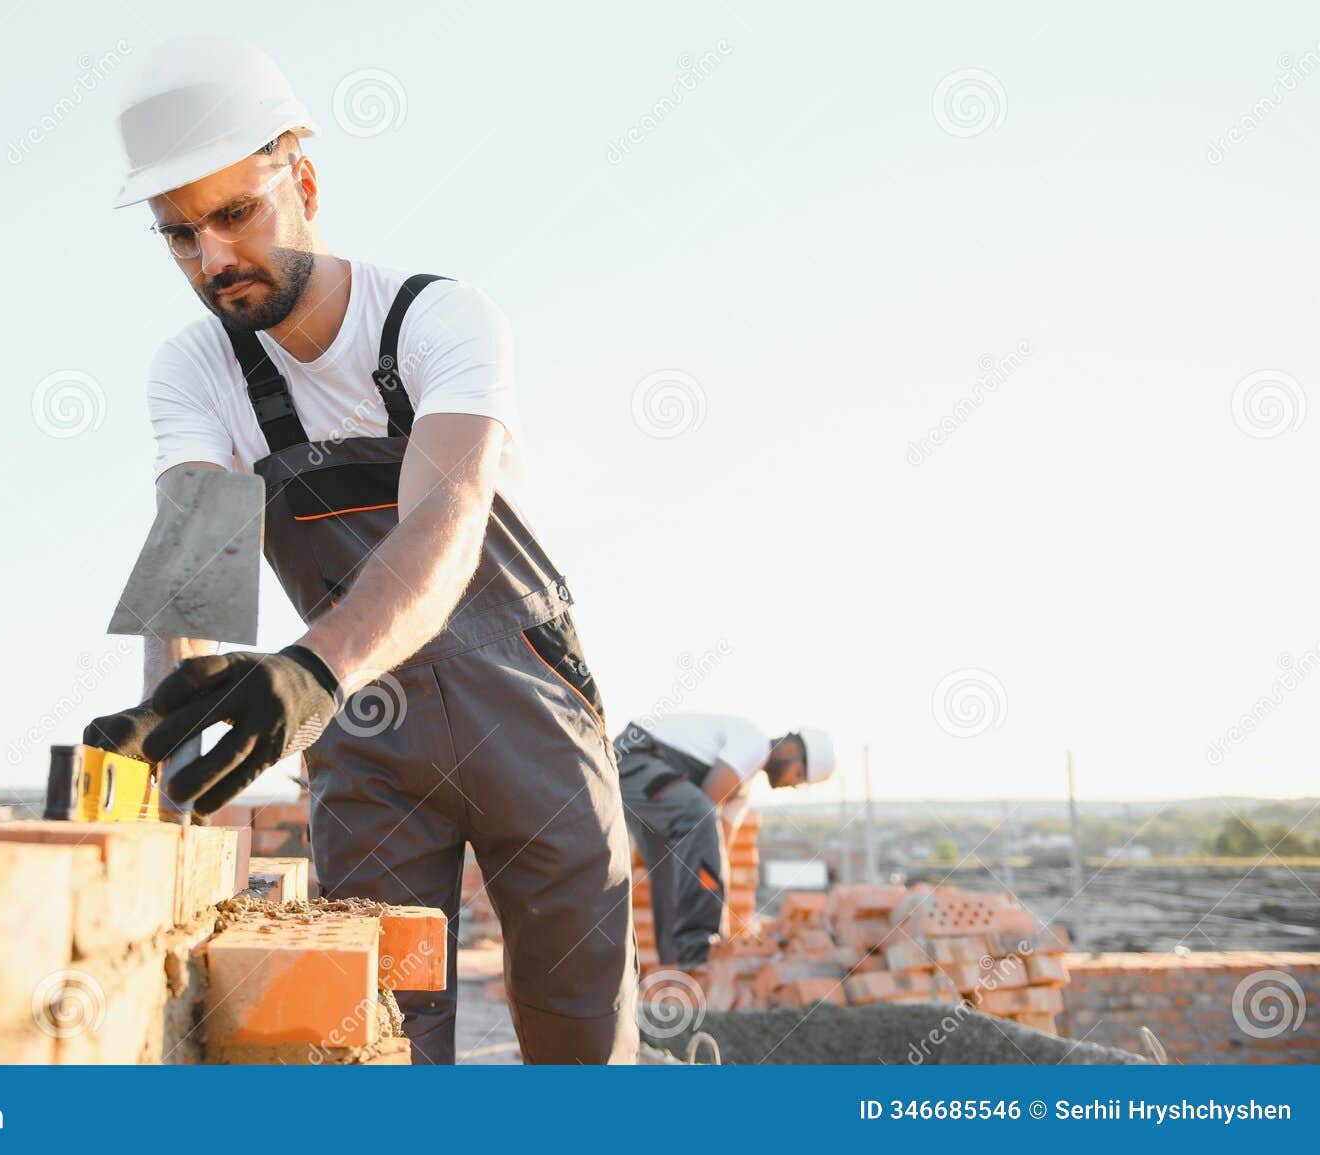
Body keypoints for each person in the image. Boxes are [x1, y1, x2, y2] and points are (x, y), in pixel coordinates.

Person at [82, 39, 637, 1063]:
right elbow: (192, 556)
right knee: (375, 1027)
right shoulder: (196, 368)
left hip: (521, 705)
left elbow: (448, 517)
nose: (213, 261)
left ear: (303, 181)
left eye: (235, 215)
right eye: (180, 236)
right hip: (367, 733)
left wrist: (309, 669)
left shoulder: (438, 317)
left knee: (578, 1030)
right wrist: (168, 741)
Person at [614, 714, 834, 968]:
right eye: (797, 775)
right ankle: (698, 949)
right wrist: (712, 931)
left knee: (672, 872)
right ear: (791, 749)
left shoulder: (741, 791)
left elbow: (719, 854)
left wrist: (725, 924)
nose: (792, 784)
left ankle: (675, 967)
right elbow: (703, 814)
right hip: (635, 756)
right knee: (698, 818)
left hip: (649, 778)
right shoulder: (754, 744)